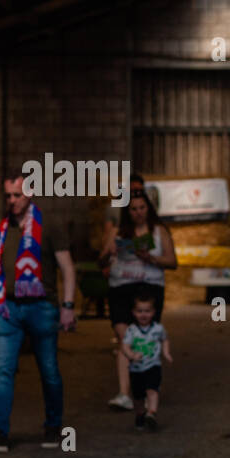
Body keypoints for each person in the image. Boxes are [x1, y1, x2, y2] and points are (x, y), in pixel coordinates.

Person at [0, 171, 77, 453]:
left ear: (31, 192)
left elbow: (67, 268)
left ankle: (53, 426)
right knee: (3, 371)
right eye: (8, 195)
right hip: (7, 307)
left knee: (48, 370)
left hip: (42, 307)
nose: (12, 201)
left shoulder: (50, 225)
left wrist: (68, 306)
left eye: (18, 195)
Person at [99, 174, 176, 411]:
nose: (138, 212)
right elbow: (100, 261)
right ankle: (124, 393)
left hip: (149, 287)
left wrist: (150, 257)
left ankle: (145, 383)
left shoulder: (159, 231)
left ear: (148, 209)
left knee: (143, 338)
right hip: (121, 287)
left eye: (142, 208)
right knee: (125, 338)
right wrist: (109, 252)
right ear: (127, 211)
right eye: (133, 209)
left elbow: (173, 261)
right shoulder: (117, 232)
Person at [119, 290, 172, 432]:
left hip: (153, 365)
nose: (143, 314)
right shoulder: (132, 330)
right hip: (136, 369)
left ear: (153, 312)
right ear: (134, 312)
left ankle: (151, 413)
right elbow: (124, 345)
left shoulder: (158, 328)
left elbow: (165, 339)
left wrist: (166, 352)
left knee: (152, 390)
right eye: (139, 311)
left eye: (147, 311)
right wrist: (131, 355)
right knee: (138, 397)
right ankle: (140, 413)